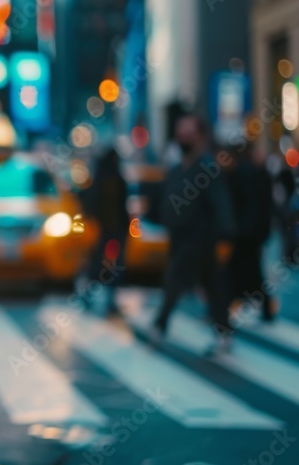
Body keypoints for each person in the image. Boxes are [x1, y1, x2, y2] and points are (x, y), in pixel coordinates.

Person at [149, 115, 237, 355]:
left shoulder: (207, 167)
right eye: (180, 134)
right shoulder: (178, 168)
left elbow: (221, 203)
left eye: (187, 134)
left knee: (178, 279)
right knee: (209, 285)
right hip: (179, 237)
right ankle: (223, 331)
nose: (182, 139)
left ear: (200, 138)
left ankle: (160, 324)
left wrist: (225, 235)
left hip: (200, 237)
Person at [225, 146, 275, 322]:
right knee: (246, 272)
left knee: (246, 271)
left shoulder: (247, 174)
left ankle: (224, 310)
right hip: (251, 233)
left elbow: (252, 207)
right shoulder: (253, 173)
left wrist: (243, 230)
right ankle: (226, 308)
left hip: (248, 234)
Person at [80, 149, 129, 316]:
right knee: (111, 265)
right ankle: (105, 300)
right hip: (111, 231)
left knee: (100, 265)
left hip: (106, 231)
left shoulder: (100, 180)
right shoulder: (115, 180)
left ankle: (94, 297)